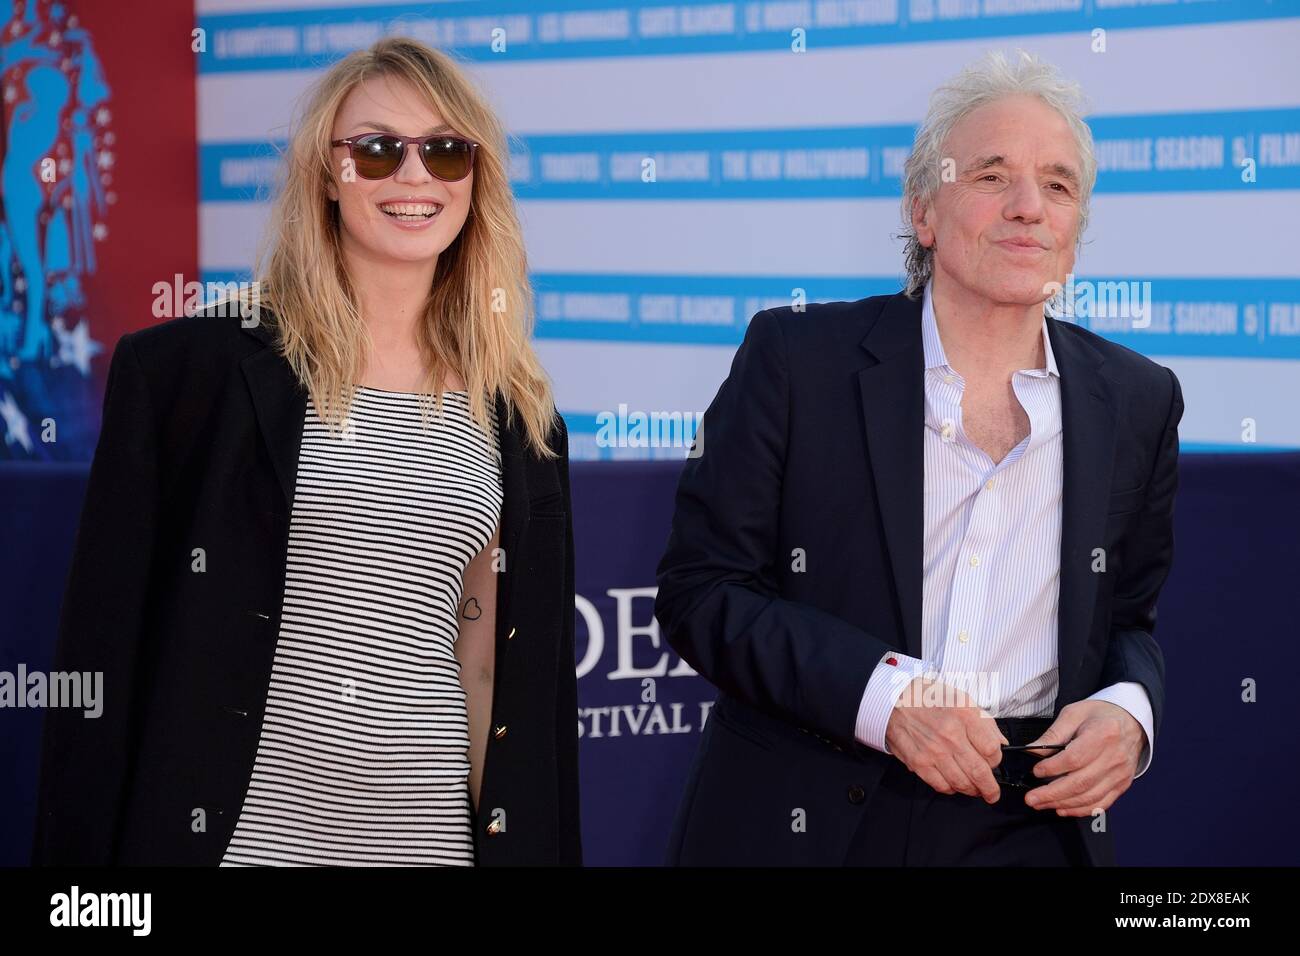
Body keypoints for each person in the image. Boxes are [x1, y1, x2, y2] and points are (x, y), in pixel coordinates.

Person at [32, 37, 581, 866]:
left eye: (444, 151)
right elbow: (102, 666)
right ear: (327, 174)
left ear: (477, 179)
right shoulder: (188, 377)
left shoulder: (519, 414)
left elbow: (495, 678)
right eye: (376, 149)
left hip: (429, 847)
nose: (414, 177)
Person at [655, 50, 1182, 867]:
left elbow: (1127, 620)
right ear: (923, 211)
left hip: (1032, 823)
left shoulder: (1140, 399)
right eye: (990, 176)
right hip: (814, 817)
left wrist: (1129, 706)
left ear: (1076, 235)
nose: (1027, 208)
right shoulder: (797, 359)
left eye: (1059, 185)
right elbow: (703, 592)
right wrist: (885, 698)